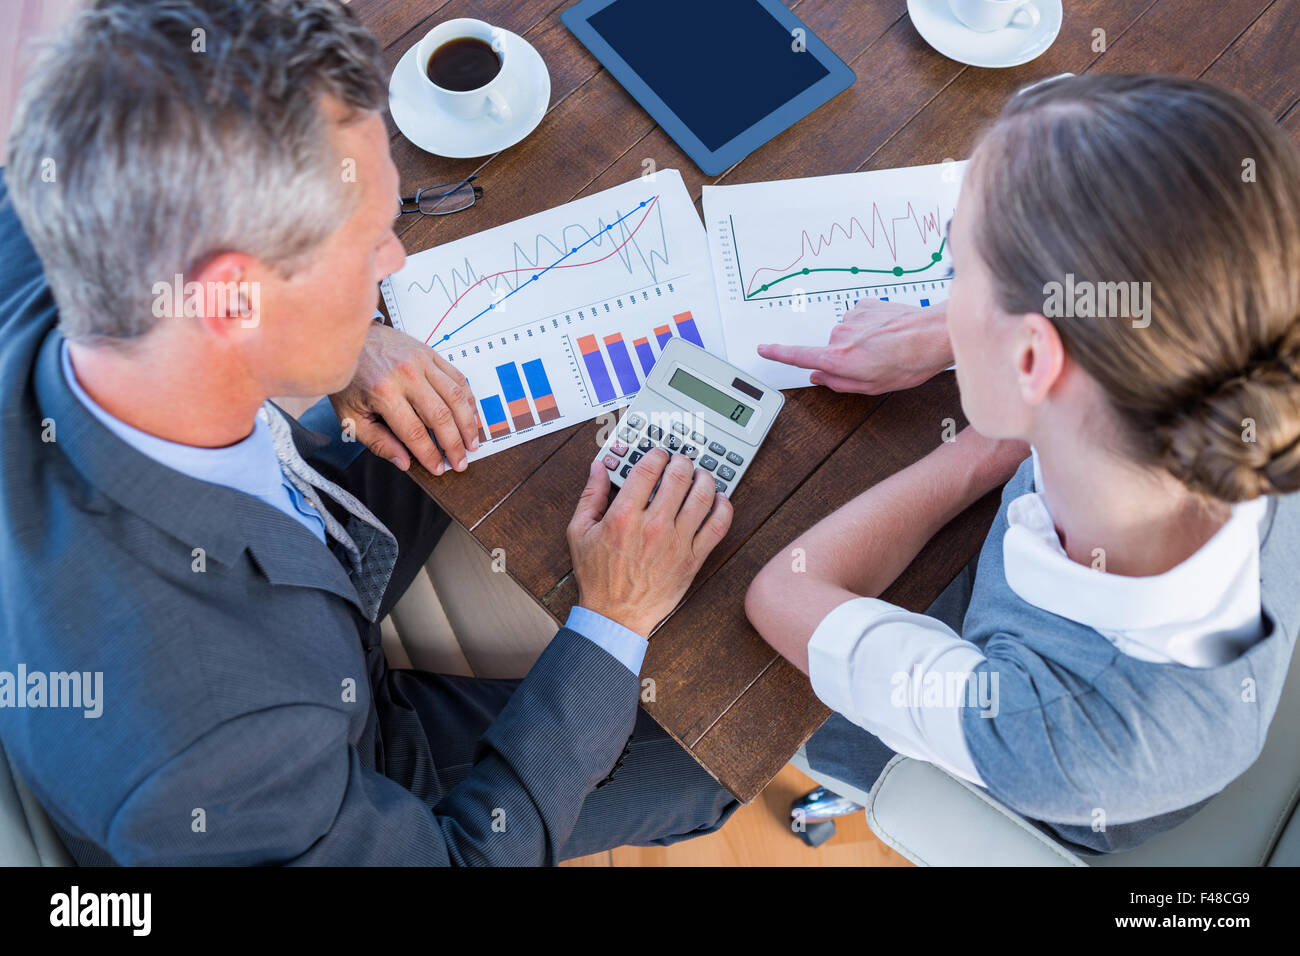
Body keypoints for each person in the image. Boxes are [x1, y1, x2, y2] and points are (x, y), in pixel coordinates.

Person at [0, 0, 739, 866]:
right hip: (342, 762)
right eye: (368, 245)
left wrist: (352, 343)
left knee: (461, 392)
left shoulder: (60, 200)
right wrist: (614, 619)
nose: (394, 259)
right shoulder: (213, 755)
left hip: (284, 548)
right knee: (714, 753)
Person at [745, 73, 1300, 854]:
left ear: (1037, 354)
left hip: (1028, 765)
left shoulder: (1056, 737)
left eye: (956, 275)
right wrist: (959, 343)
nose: (941, 298)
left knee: (694, 748)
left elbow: (782, 592)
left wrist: (983, 448)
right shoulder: (1239, 376)